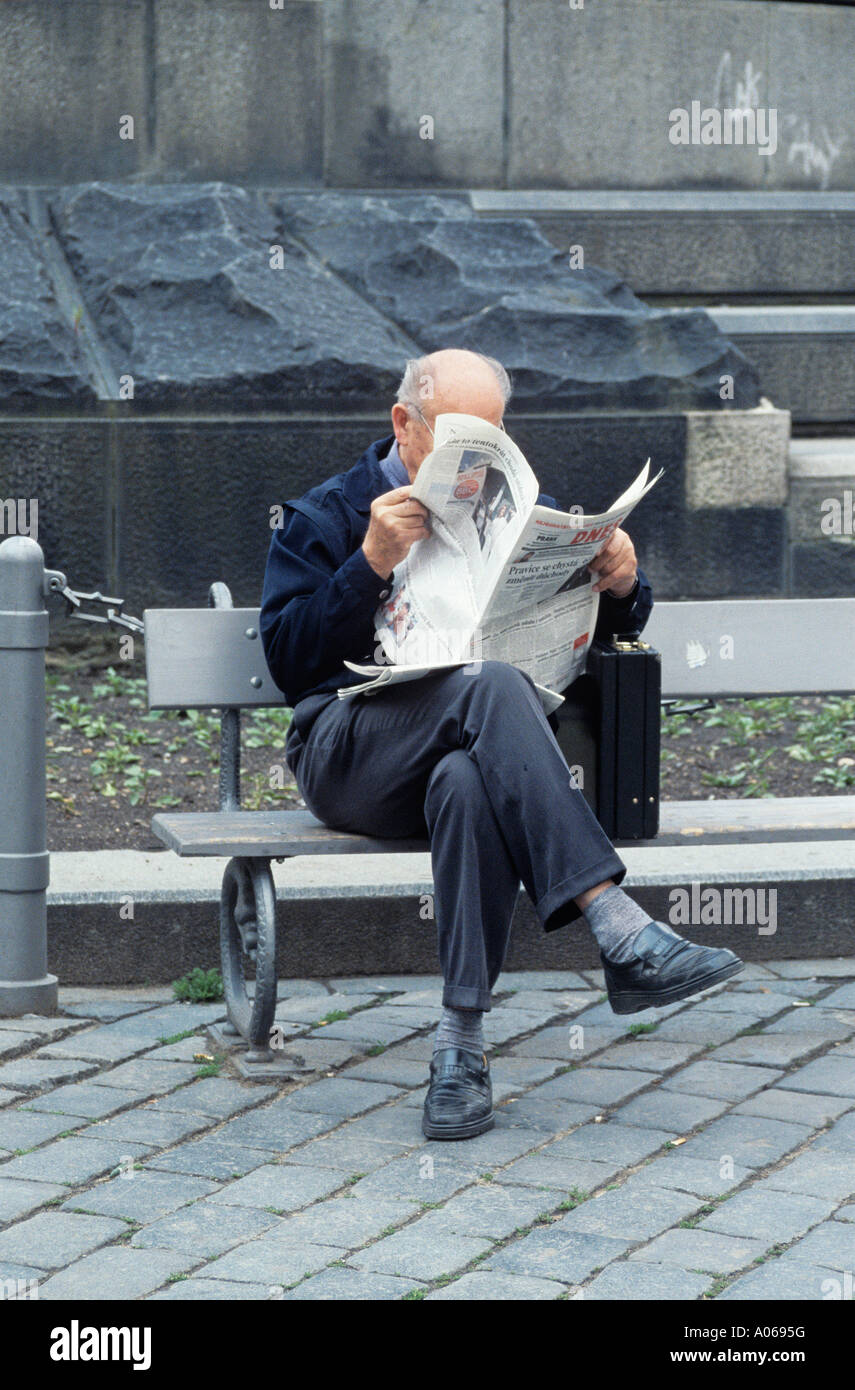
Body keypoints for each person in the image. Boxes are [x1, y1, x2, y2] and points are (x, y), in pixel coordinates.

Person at [260, 349, 743, 1141]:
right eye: (454, 437)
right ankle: (615, 923)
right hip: (349, 755)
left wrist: (622, 582)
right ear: (402, 426)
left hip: (475, 754)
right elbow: (288, 665)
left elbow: (608, 633)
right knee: (486, 686)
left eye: (489, 437)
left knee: (464, 780)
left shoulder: (519, 509)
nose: (474, 459)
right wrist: (368, 564)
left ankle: (459, 1050)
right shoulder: (327, 516)